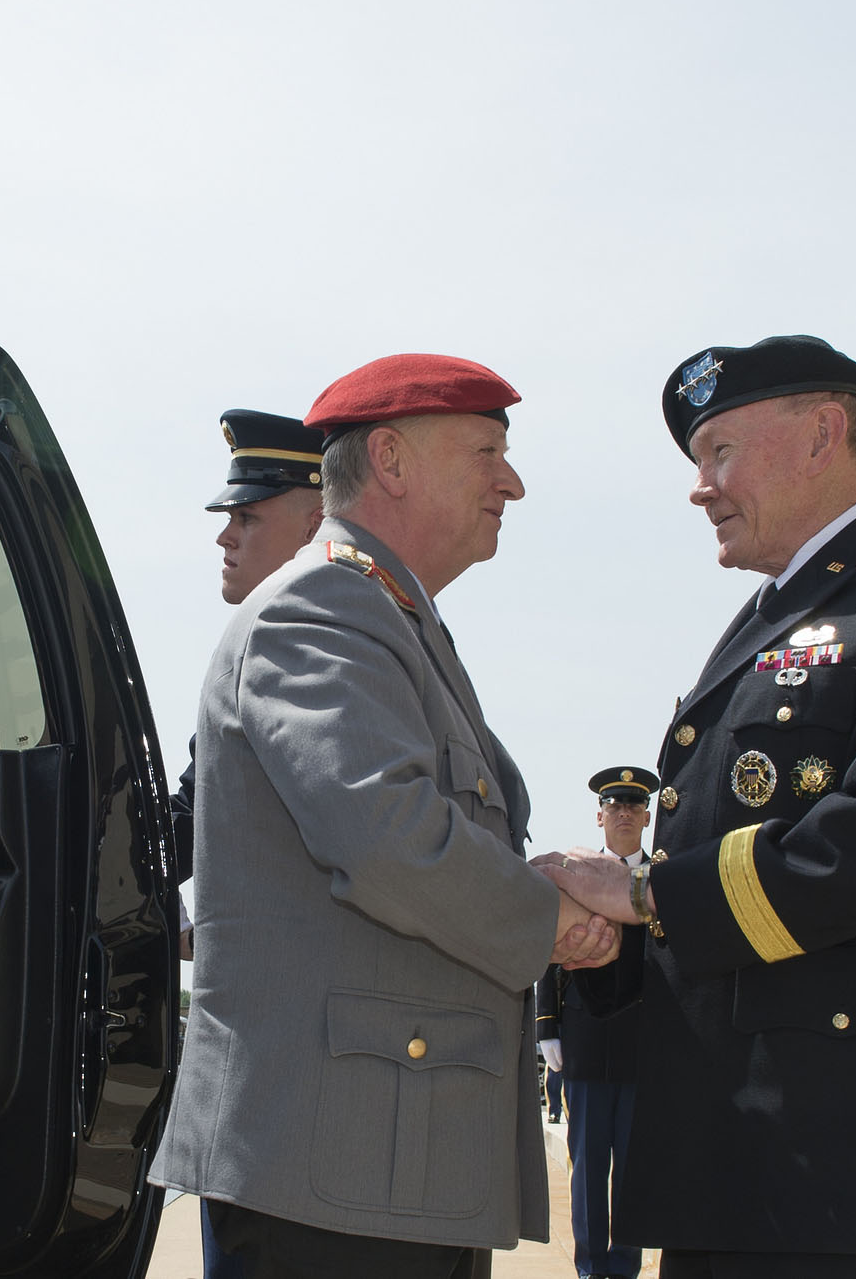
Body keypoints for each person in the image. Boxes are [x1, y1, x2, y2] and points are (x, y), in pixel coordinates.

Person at [544, 334, 856, 1278]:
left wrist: (644, 893)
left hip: (846, 1155)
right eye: (698, 460)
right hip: (728, 1146)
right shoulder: (771, 618)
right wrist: (610, 931)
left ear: (823, 433)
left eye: (720, 451)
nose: (701, 486)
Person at [150, 353, 617, 1279]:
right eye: (488, 450)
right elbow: (386, 834)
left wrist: (540, 882)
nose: (512, 481)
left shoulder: (391, 614)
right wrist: (549, 917)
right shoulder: (322, 607)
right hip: (333, 1173)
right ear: (393, 460)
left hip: (382, 1165)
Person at [169, 409, 328, 963]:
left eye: (247, 518)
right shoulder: (270, 641)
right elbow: (196, 816)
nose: (224, 536)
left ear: (315, 525)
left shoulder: (303, 645)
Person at [536, 766, 658, 1279]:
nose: (624, 813)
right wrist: (547, 1026)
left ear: (648, 817)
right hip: (585, 1037)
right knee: (587, 1165)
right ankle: (590, 1267)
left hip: (643, 1043)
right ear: (600, 815)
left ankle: (625, 1267)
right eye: (615, 804)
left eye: (633, 805)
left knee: (633, 1167)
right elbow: (551, 948)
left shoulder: (665, 879)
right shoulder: (578, 871)